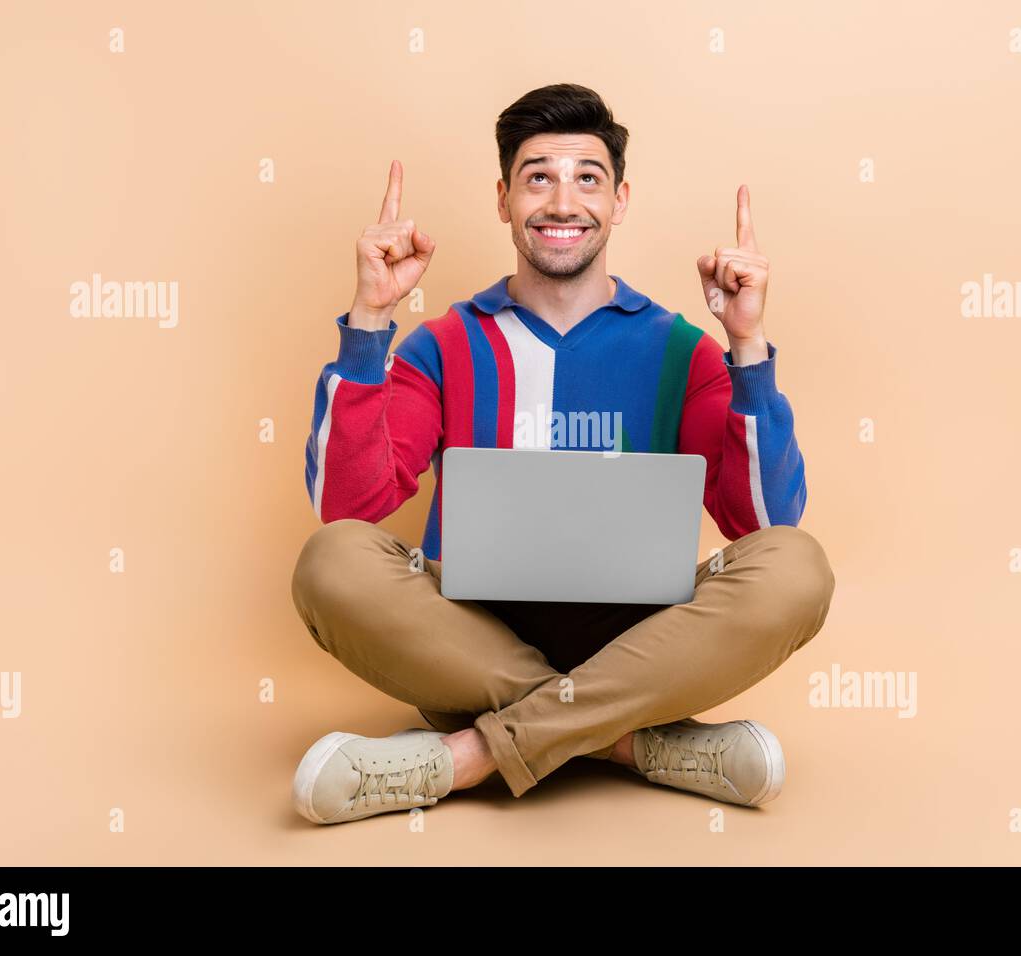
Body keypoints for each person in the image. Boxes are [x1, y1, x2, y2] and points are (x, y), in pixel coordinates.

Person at [289, 83, 835, 825]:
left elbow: (764, 518)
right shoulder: (445, 343)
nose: (562, 202)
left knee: (796, 567)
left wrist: (747, 345)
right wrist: (369, 319)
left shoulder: (683, 350)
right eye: (537, 176)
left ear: (620, 200)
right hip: (469, 647)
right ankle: (631, 745)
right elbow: (347, 509)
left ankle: (461, 759)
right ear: (504, 198)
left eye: (588, 178)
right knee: (331, 562)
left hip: (641, 645)